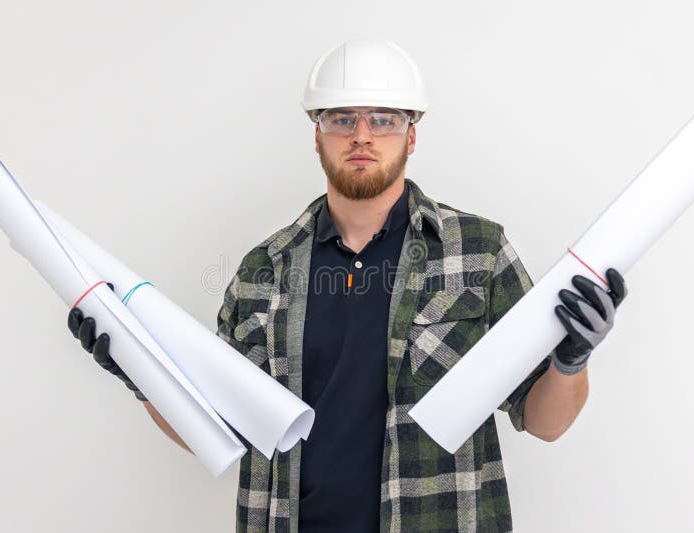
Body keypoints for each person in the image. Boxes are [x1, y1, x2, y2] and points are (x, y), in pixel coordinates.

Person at [68, 39, 627, 533]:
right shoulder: (264, 268)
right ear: (317, 136)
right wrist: (140, 375)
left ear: (412, 135)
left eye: (383, 119)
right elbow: (217, 430)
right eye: (341, 118)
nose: (361, 135)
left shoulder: (478, 252)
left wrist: (571, 361)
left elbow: (545, 423)